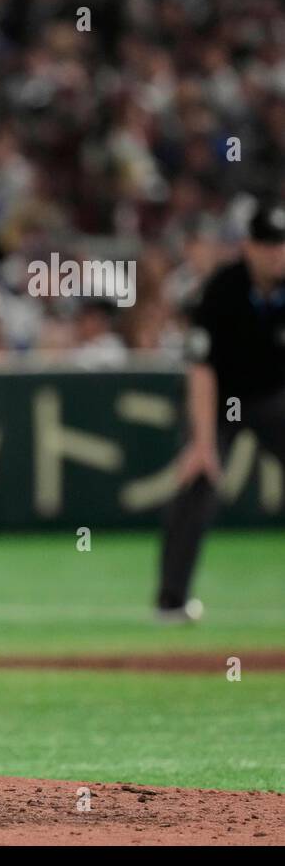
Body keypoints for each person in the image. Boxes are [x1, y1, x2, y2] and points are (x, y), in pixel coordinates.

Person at [155, 197, 285, 622]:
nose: (277, 253)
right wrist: (203, 443)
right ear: (248, 247)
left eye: (283, 244)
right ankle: (172, 602)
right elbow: (201, 370)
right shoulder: (222, 290)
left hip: (272, 397)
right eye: (268, 244)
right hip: (221, 399)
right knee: (199, 477)